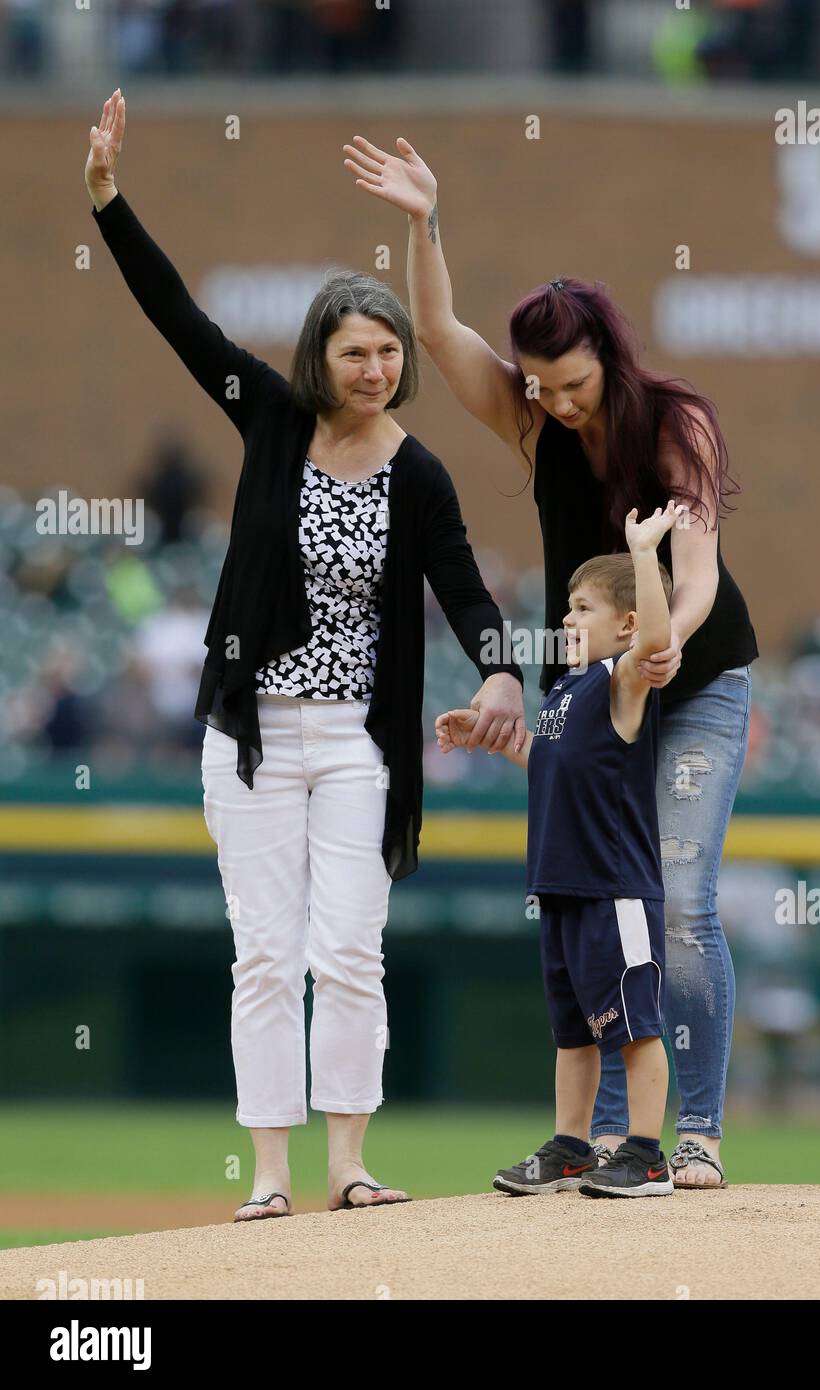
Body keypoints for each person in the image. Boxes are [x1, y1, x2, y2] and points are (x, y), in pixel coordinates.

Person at [84, 90, 526, 1221]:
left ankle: (349, 1166)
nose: (375, 367)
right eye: (354, 349)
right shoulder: (273, 419)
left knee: (352, 949)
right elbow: (177, 318)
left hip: (359, 742)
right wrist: (109, 202)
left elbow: (464, 586)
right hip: (255, 731)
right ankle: (270, 1176)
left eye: (388, 351)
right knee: (265, 957)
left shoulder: (418, 473)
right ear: (318, 355)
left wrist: (501, 665)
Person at [346, 134, 757, 1187]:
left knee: (675, 895)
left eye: (570, 384)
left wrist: (667, 641)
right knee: (593, 905)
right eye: (539, 384)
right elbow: (435, 330)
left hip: (693, 678)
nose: (555, 402)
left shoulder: (674, 424)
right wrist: (423, 219)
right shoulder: (533, 427)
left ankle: (693, 1130)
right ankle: (604, 1139)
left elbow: (701, 568)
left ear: (607, 364)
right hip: (595, 681)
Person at [437, 506, 682, 1197]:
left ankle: (644, 1153)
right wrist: (486, 733)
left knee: (635, 1027)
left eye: (583, 608)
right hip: (563, 887)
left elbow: (658, 637)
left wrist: (641, 554)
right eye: (568, 607)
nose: (568, 619)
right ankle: (572, 1148)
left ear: (625, 624)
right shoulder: (566, 689)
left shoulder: (623, 679)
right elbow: (546, 760)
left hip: (614, 887)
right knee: (574, 1032)